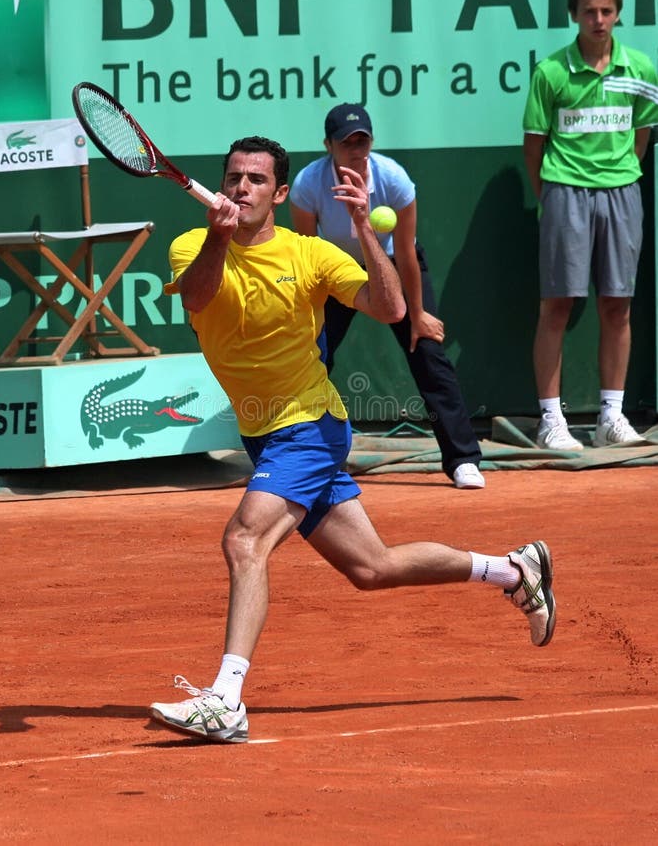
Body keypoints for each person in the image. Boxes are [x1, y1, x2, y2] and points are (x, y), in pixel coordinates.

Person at [150, 135, 555, 744]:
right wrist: (219, 237)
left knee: (245, 540)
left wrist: (366, 228)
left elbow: (391, 309)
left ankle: (226, 700)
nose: (242, 188)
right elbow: (199, 298)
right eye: (234, 177)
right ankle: (513, 570)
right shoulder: (192, 245)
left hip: (309, 425)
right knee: (372, 567)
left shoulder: (310, 254)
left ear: (280, 194)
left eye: (257, 180)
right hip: (263, 433)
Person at [289, 104, 485, 489]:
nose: (356, 150)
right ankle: (299, 455)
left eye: (362, 141)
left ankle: (463, 459)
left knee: (427, 352)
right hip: (335, 268)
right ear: (328, 145)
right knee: (312, 356)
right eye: (346, 143)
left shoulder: (393, 179)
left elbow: (407, 253)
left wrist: (418, 314)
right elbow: (307, 254)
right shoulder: (308, 184)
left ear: (372, 142)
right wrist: (311, 322)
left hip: (393, 262)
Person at [523, 0, 658, 451]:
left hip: (622, 193)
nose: (598, 20)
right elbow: (534, 146)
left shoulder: (642, 68)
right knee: (557, 305)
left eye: (606, 11)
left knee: (617, 305)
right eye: (589, 12)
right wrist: (554, 194)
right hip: (565, 193)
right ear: (574, 16)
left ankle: (611, 417)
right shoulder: (550, 73)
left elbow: (641, 137)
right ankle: (551, 420)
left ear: (618, 14)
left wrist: (618, 175)